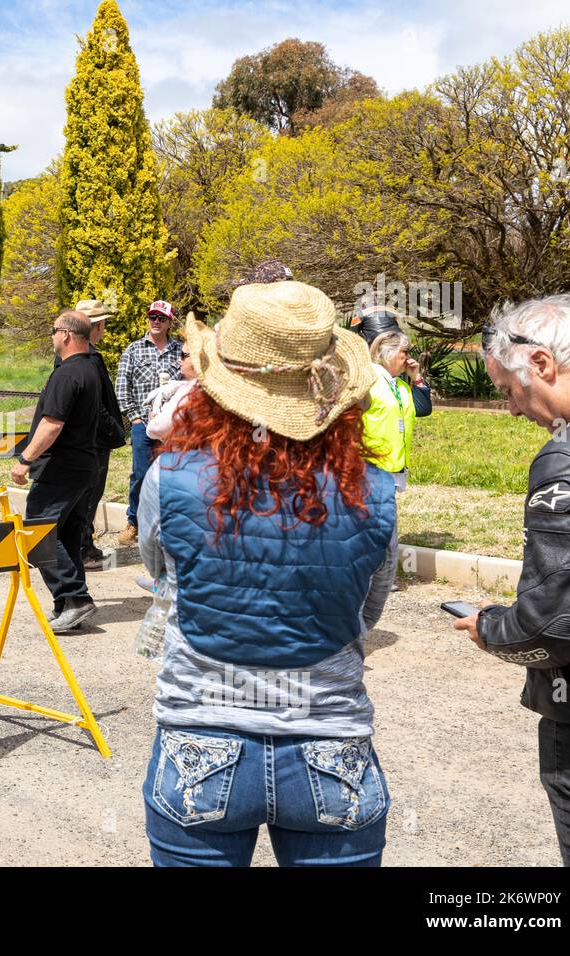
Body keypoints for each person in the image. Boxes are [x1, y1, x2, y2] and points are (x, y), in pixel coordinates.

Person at [139, 280, 395, 867]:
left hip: (200, 736)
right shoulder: (375, 492)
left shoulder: (170, 477)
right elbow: (367, 610)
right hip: (331, 745)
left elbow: (162, 573)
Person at [452, 295, 570, 867]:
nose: (514, 411)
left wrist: (493, 628)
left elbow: (556, 620)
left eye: (508, 391)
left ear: (542, 364)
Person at [9, 311, 101, 633]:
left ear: (65, 335)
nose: (51, 337)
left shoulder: (66, 375)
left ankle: (75, 598)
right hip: (83, 466)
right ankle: (67, 605)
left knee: (38, 530)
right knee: (68, 535)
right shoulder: (91, 368)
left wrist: (25, 460)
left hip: (60, 467)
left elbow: (52, 424)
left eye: (53, 331)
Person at [359, 327, 433, 629]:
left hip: (392, 469)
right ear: (388, 353)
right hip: (369, 468)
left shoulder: (399, 386)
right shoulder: (369, 381)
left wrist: (417, 377)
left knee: (384, 533)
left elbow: (423, 408)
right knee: (383, 534)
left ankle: (377, 581)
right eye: (404, 352)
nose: (408, 358)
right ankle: (372, 586)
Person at [115, 300, 185, 546]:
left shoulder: (180, 351)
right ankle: (134, 521)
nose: (156, 321)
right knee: (141, 473)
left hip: (174, 427)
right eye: (152, 317)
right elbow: (122, 387)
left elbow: (189, 384)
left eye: (161, 318)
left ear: (169, 323)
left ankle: (167, 524)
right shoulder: (134, 349)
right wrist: (134, 418)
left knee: (172, 474)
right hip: (142, 424)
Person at [70, 299, 127, 573]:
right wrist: (115, 431)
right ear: (97, 326)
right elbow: (96, 404)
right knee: (88, 495)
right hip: (94, 439)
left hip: (92, 438)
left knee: (89, 494)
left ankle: (85, 545)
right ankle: (82, 550)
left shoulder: (84, 355)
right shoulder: (87, 359)